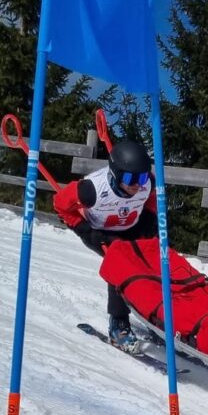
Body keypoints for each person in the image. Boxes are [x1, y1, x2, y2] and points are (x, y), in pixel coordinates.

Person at [53, 137, 158, 351]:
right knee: (120, 265)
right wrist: (84, 231)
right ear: (116, 175)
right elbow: (60, 205)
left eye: (142, 177)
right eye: (130, 178)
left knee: (152, 263)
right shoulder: (90, 190)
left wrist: (150, 219)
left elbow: (151, 199)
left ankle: (153, 317)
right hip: (100, 232)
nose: (138, 184)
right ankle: (118, 322)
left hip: (132, 225)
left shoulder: (148, 183)